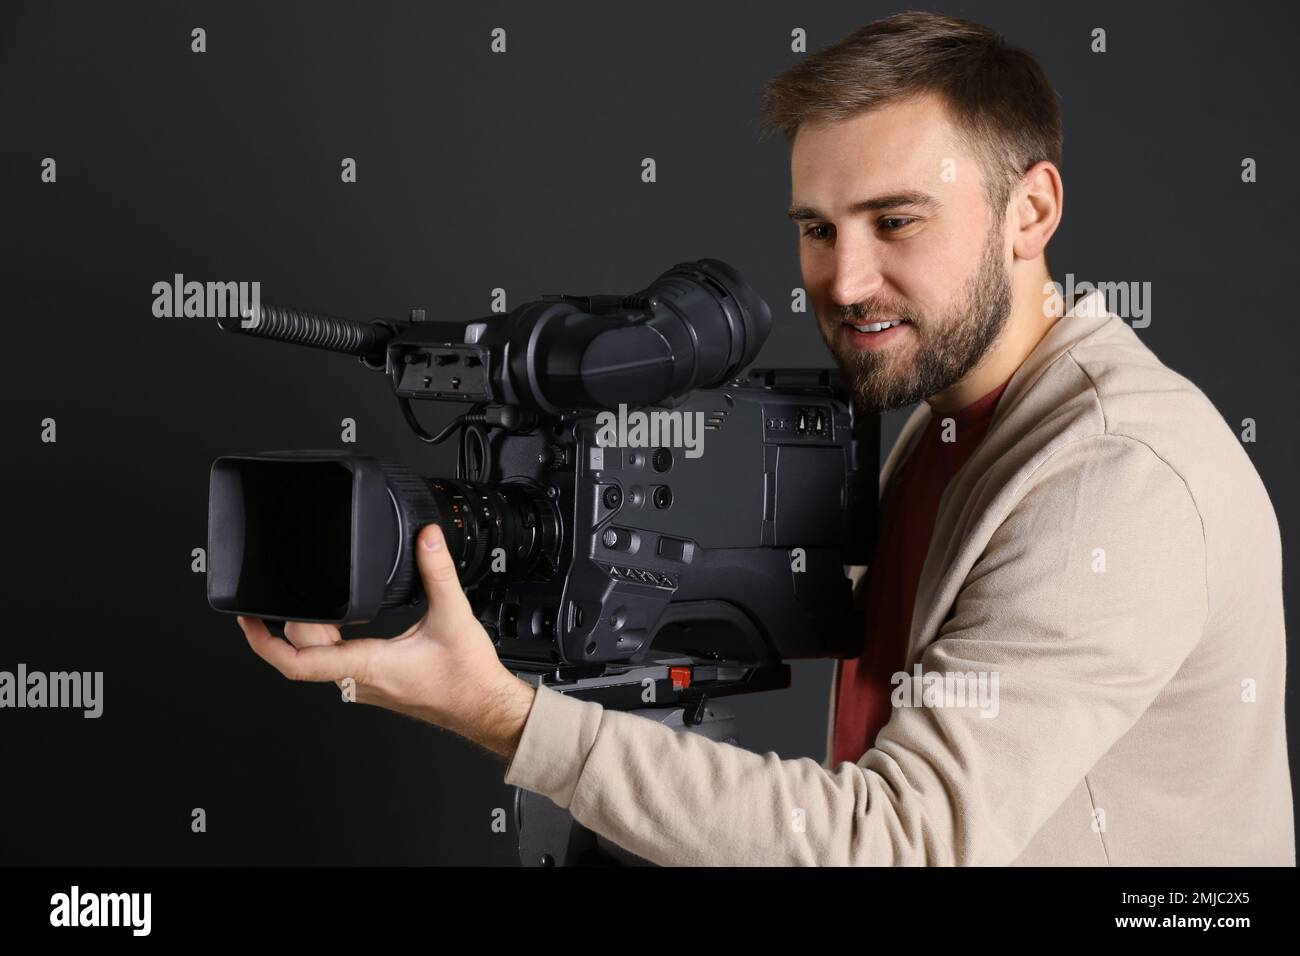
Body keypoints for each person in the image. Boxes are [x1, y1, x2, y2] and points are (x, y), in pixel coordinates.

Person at [237, 11, 1294, 865]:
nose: (843, 280)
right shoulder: (945, 420)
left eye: (897, 221)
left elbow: (901, 839)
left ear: (1030, 211)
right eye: (816, 228)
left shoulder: (1114, 474)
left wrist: (513, 720)